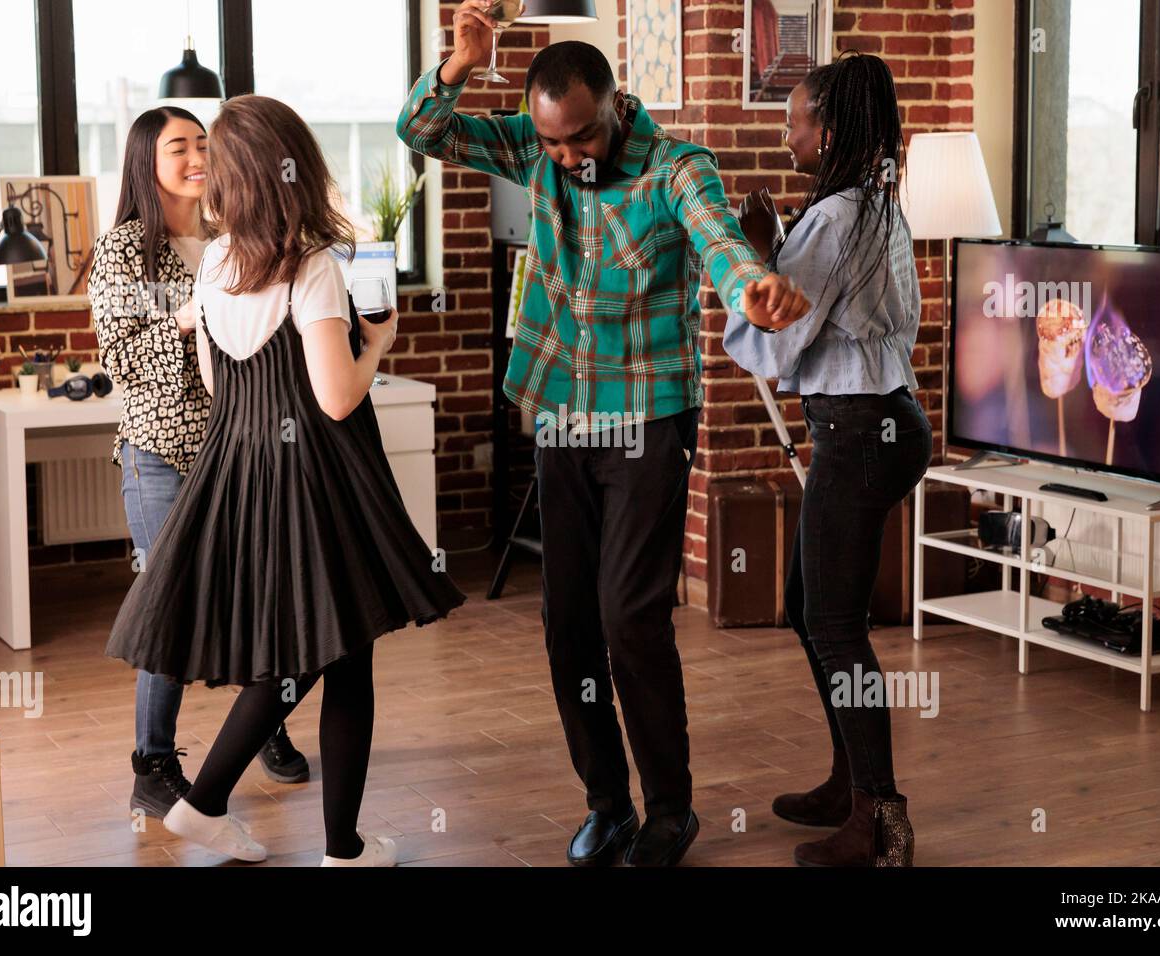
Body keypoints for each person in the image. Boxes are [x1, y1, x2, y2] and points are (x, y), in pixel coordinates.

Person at [398, 3, 809, 867]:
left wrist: (753, 289)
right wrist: (460, 63)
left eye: (580, 138)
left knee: (630, 617)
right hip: (561, 414)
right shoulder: (525, 146)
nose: (566, 157)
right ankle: (607, 803)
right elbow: (421, 129)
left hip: (648, 419)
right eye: (553, 143)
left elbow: (721, 241)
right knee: (565, 620)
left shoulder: (674, 169)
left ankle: (670, 810)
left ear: (614, 106)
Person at [105, 94, 466, 865]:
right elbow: (336, 396)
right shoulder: (310, 267)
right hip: (316, 484)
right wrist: (381, 344)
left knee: (301, 658)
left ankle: (245, 818)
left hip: (240, 478)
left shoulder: (216, 268)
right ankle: (322, 843)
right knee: (340, 655)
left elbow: (211, 379)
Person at [724, 52, 932, 867]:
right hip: (890, 423)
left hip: (857, 433)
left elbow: (772, 342)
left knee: (837, 624)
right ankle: (852, 784)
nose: (787, 132)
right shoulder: (876, 208)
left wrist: (751, 265)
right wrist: (780, 250)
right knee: (810, 601)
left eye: (796, 119)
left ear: (831, 128)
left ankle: (881, 818)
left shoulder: (836, 218)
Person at [87, 106, 308, 823]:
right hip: (158, 453)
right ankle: (153, 764)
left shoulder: (229, 238)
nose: (197, 155)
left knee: (258, 592)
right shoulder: (124, 251)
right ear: (147, 162)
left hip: (238, 447)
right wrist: (189, 316)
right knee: (169, 602)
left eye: (204, 143)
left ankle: (264, 730)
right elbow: (119, 360)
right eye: (179, 145)